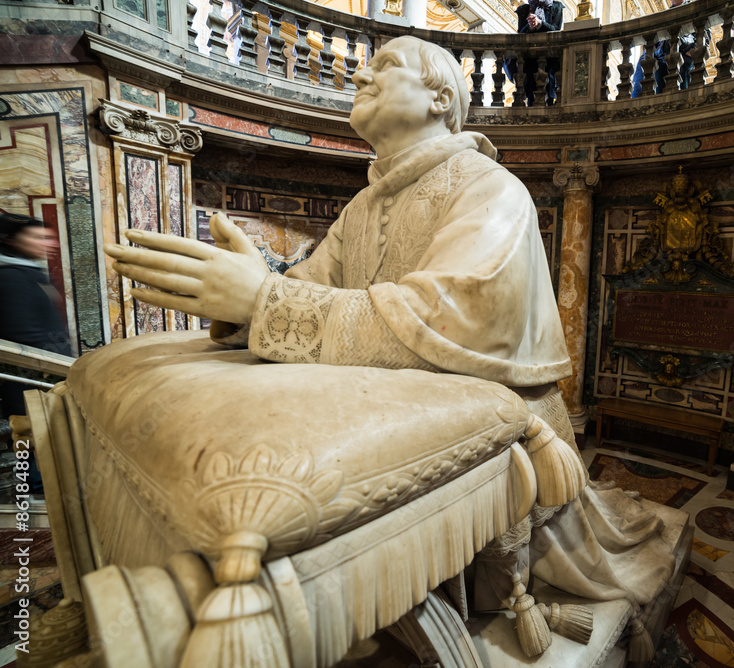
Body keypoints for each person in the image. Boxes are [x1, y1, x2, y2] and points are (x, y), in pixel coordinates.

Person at [106, 34, 677, 648]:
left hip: (501, 436)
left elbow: (446, 319)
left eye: (385, 65)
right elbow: (310, 289)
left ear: (440, 97)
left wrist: (264, 300)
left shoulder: (491, 188)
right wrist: (245, 301)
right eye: (365, 64)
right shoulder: (363, 206)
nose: (359, 74)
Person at [0, 213, 72, 495]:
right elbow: (26, 335)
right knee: (28, 436)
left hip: (46, 370)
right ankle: (31, 498)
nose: (49, 243)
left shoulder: (28, 270)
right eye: (39, 237)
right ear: (14, 240)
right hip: (29, 377)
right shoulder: (10, 277)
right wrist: (61, 367)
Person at [507, 0, 564, 106]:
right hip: (530, 58)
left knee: (549, 91)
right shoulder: (524, 9)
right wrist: (530, 26)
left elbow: (556, 30)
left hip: (549, 58)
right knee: (531, 90)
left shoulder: (556, 6)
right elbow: (520, 34)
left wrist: (540, 24)